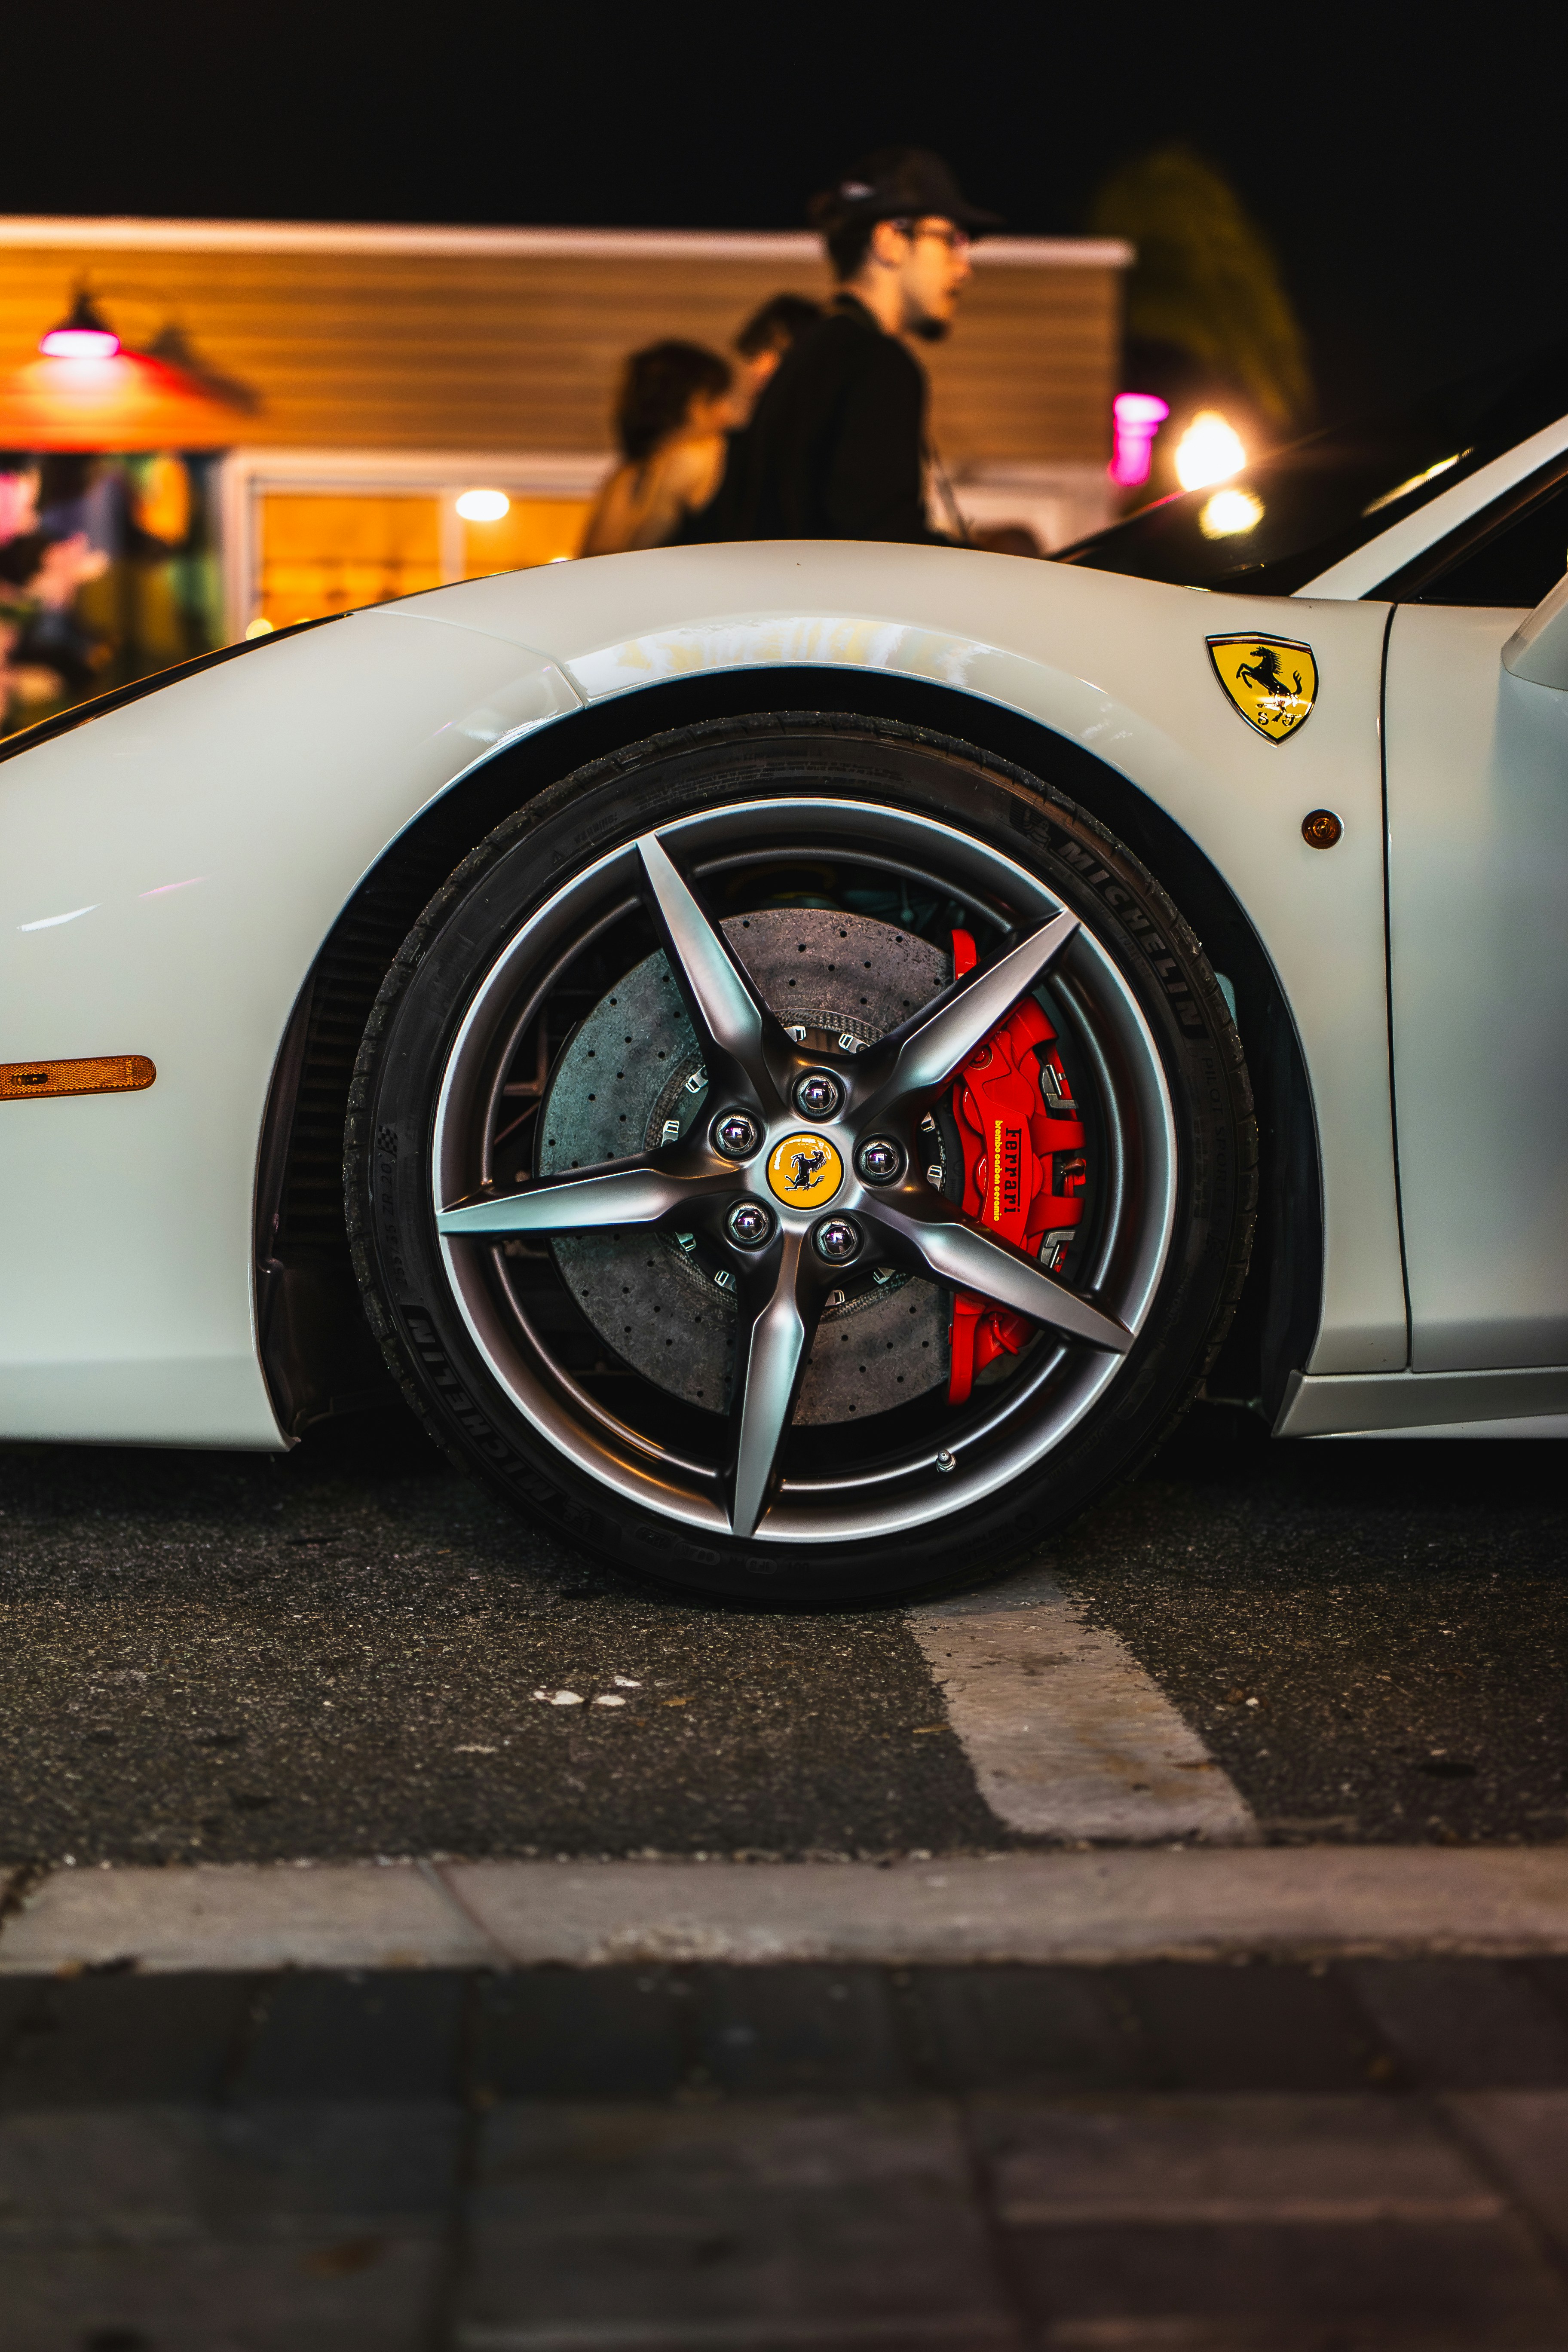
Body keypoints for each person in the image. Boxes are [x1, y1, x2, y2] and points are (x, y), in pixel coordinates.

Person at [718, 148, 999, 545]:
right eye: (951, 239)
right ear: (891, 241)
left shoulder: (808, 356)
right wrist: (982, 565)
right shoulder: (877, 364)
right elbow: (880, 541)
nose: (963, 268)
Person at [579, 340, 734, 557]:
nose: (727, 414)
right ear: (695, 405)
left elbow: (596, 561)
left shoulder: (630, 477)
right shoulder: (698, 457)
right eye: (718, 399)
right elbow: (603, 559)